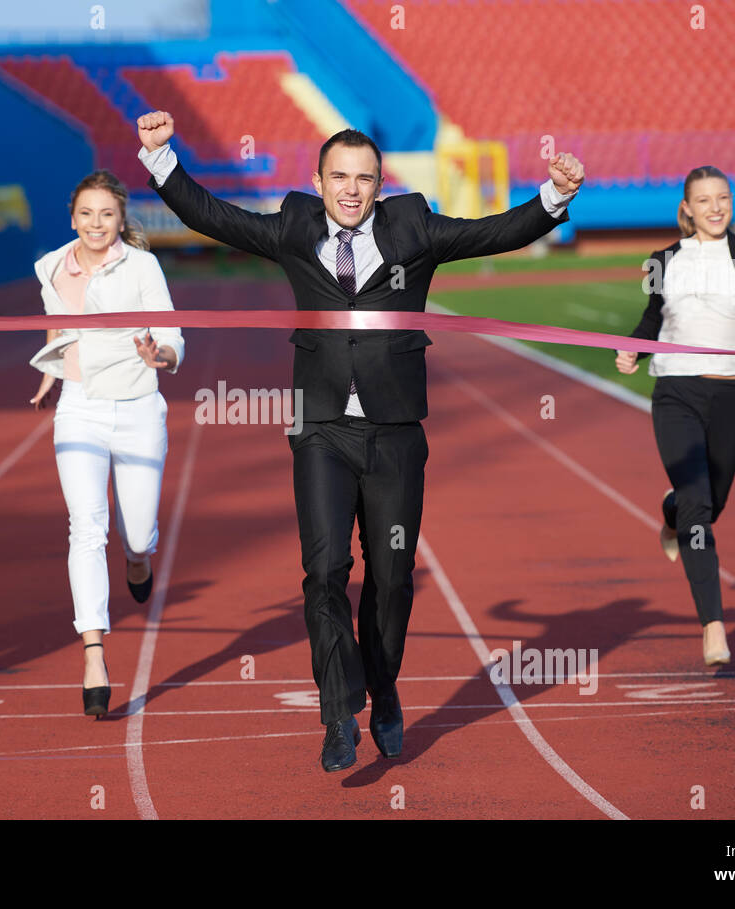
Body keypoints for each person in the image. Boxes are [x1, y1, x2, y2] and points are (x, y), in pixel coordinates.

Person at [136, 110, 583, 770]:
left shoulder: (413, 225)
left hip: (395, 432)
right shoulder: (293, 224)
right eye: (339, 176)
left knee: (393, 576)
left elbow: (494, 232)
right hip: (320, 427)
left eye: (364, 178)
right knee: (323, 572)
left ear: (379, 184)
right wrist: (161, 158)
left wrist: (554, 198)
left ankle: (385, 685)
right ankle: (338, 709)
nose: (351, 189)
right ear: (318, 181)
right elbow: (216, 216)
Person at [615, 165, 735, 667]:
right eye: (704, 200)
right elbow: (651, 319)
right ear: (687, 209)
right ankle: (714, 628)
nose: (715, 208)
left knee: (707, 505)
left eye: (722, 198)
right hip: (676, 392)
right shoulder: (663, 261)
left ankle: (673, 512)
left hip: (733, 394)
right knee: (702, 508)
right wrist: (632, 350)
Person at [29, 169, 185, 719]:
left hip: (139, 405)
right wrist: (50, 374)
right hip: (81, 408)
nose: (97, 224)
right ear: (73, 218)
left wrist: (160, 356)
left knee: (137, 531)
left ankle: (138, 560)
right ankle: (94, 653)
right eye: (87, 214)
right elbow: (57, 326)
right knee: (86, 527)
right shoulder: (52, 266)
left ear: (121, 220)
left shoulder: (142, 265)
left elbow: (170, 332)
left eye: (107, 215)